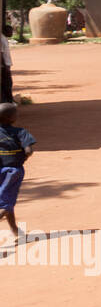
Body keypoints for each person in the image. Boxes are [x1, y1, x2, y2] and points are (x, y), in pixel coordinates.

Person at [0, 102, 35, 243]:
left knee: (7, 199)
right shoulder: (21, 132)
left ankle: (15, 230)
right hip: (13, 171)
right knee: (5, 202)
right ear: (11, 118)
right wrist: (23, 158)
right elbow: (29, 150)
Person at [0, 24, 14, 104]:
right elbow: (1, 54)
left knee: (8, 83)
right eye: (10, 31)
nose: (12, 33)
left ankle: (8, 100)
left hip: (6, 65)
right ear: (5, 31)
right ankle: (9, 101)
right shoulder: (1, 39)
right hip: (4, 66)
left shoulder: (4, 38)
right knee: (7, 83)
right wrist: (5, 65)